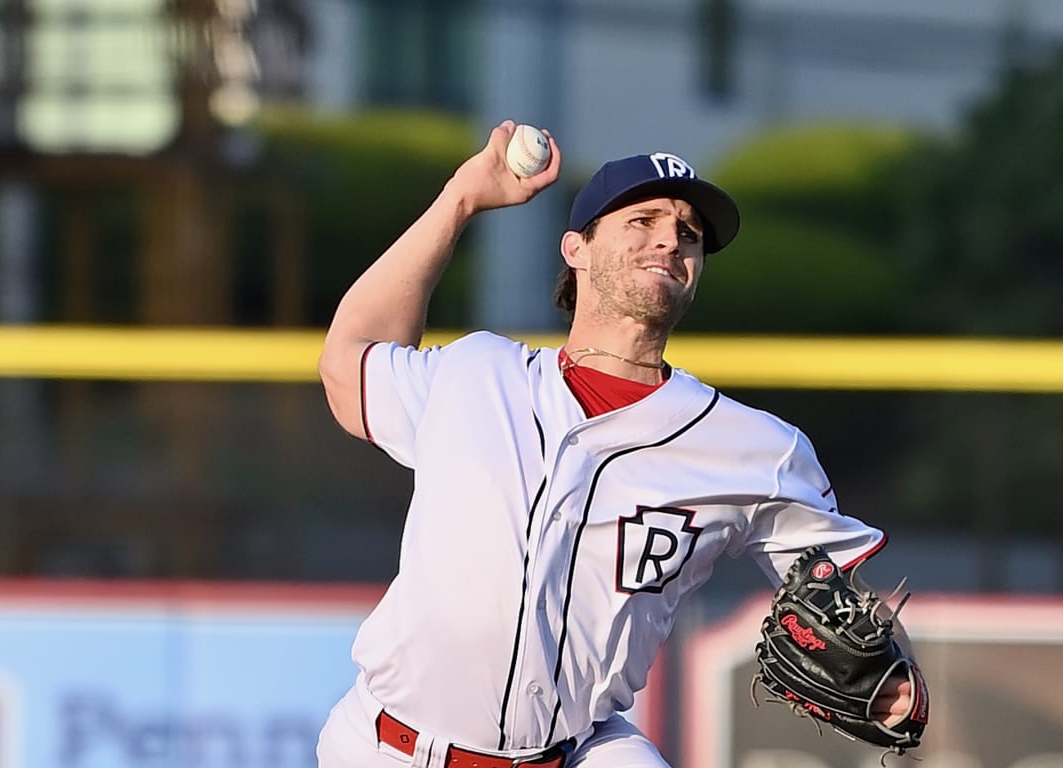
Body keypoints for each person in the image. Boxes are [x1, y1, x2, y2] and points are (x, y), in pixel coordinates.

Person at [315, 121, 919, 768]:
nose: (671, 238)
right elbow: (349, 359)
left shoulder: (755, 449)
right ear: (577, 247)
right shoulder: (474, 373)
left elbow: (848, 596)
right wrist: (459, 199)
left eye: (690, 233)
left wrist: (901, 680)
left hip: (574, 752)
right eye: (643, 219)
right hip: (385, 748)